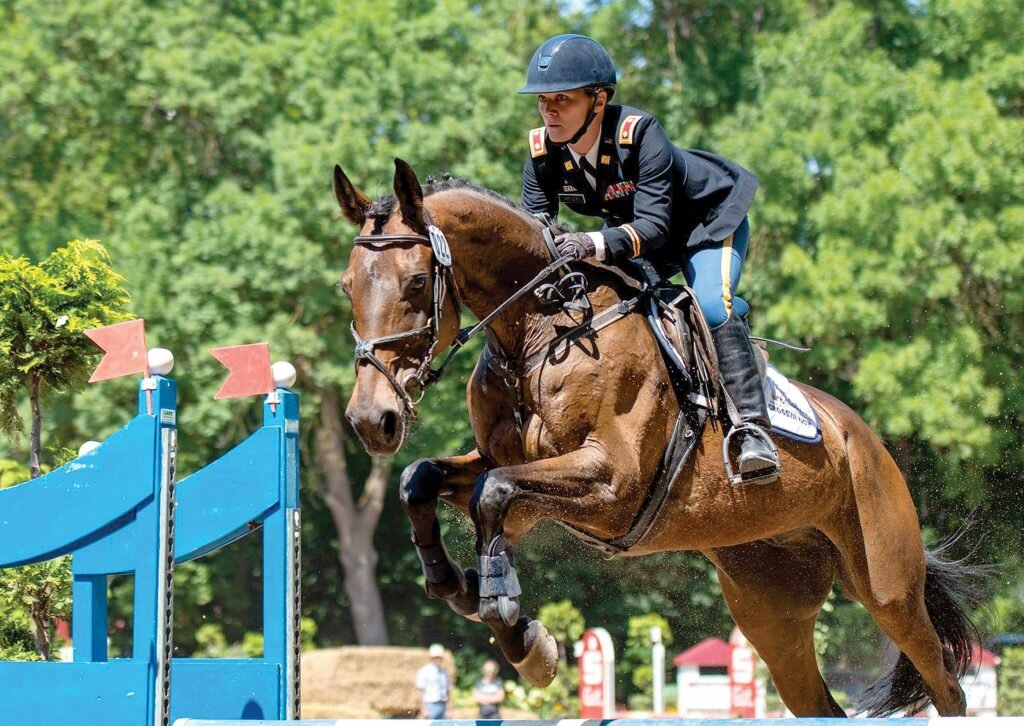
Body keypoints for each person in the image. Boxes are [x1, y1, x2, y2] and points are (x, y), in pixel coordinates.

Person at [519, 34, 779, 484]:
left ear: (598, 100)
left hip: (706, 225)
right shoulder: (543, 154)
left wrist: (589, 243)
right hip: (637, 240)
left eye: (563, 98)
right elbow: (537, 234)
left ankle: (752, 431)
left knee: (712, 306)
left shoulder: (639, 135)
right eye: (543, 100)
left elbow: (655, 227)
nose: (549, 111)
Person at [414, 643, 451, 719]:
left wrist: (449, 708)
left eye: (439, 657)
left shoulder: (444, 672)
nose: (438, 659)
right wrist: (423, 708)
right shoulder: (424, 671)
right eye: (435, 657)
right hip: (430, 705)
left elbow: (447, 691)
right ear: (431, 658)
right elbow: (420, 691)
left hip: (442, 705)